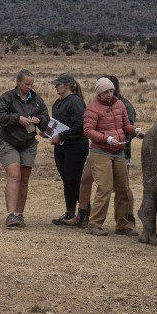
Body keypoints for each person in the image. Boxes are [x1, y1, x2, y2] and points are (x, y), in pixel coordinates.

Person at [73, 75, 140, 234]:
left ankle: (122, 225)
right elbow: (88, 131)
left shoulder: (120, 105)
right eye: (105, 92)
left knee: (122, 188)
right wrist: (106, 139)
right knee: (105, 188)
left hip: (119, 151)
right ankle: (94, 225)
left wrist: (135, 130)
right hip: (100, 152)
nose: (109, 94)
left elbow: (126, 126)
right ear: (99, 93)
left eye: (111, 90)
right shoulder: (93, 108)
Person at [0, 69, 49, 228]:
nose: (30, 87)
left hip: (28, 144)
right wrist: (17, 119)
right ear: (18, 82)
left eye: (32, 84)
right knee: (14, 176)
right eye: (26, 84)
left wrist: (39, 119)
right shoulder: (7, 98)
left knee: (24, 180)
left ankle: (19, 214)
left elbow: (46, 118)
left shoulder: (37, 100)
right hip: (8, 142)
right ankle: (10, 215)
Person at [46, 73, 89, 227]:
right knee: (66, 178)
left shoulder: (75, 102)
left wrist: (61, 136)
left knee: (74, 179)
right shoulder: (58, 103)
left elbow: (81, 126)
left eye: (58, 84)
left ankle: (85, 213)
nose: (56, 87)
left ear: (67, 85)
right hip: (62, 146)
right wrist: (49, 132)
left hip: (76, 146)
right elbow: (57, 123)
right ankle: (70, 212)